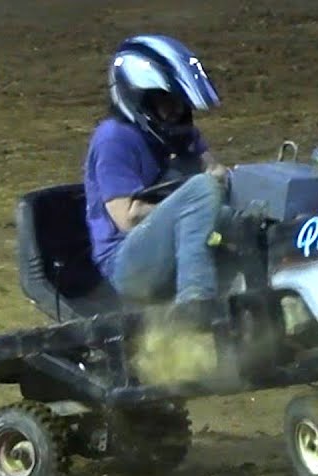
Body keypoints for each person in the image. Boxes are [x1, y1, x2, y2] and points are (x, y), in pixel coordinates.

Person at [83, 34, 233, 317]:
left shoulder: (179, 133)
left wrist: (219, 184)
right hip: (126, 264)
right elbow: (127, 217)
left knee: (232, 200)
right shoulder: (114, 139)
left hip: (164, 249)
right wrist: (192, 207)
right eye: (166, 102)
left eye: (179, 104)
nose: (175, 111)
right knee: (202, 191)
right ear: (140, 99)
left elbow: (216, 171)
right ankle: (195, 302)